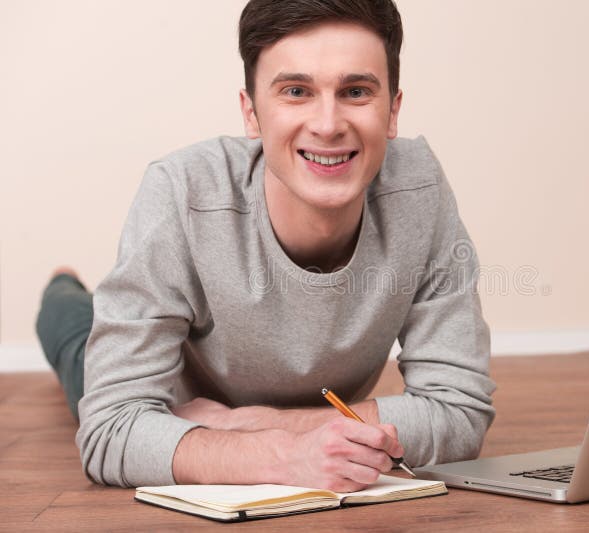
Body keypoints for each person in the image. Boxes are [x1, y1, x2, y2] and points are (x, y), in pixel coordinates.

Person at [36, 0, 495, 491]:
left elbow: (459, 411)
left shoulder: (419, 189)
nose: (327, 124)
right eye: (296, 91)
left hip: (210, 423)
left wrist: (247, 424)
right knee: (76, 339)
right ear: (251, 114)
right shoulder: (181, 191)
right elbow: (112, 430)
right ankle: (64, 291)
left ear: (392, 111)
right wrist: (280, 455)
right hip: (173, 404)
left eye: (356, 91)